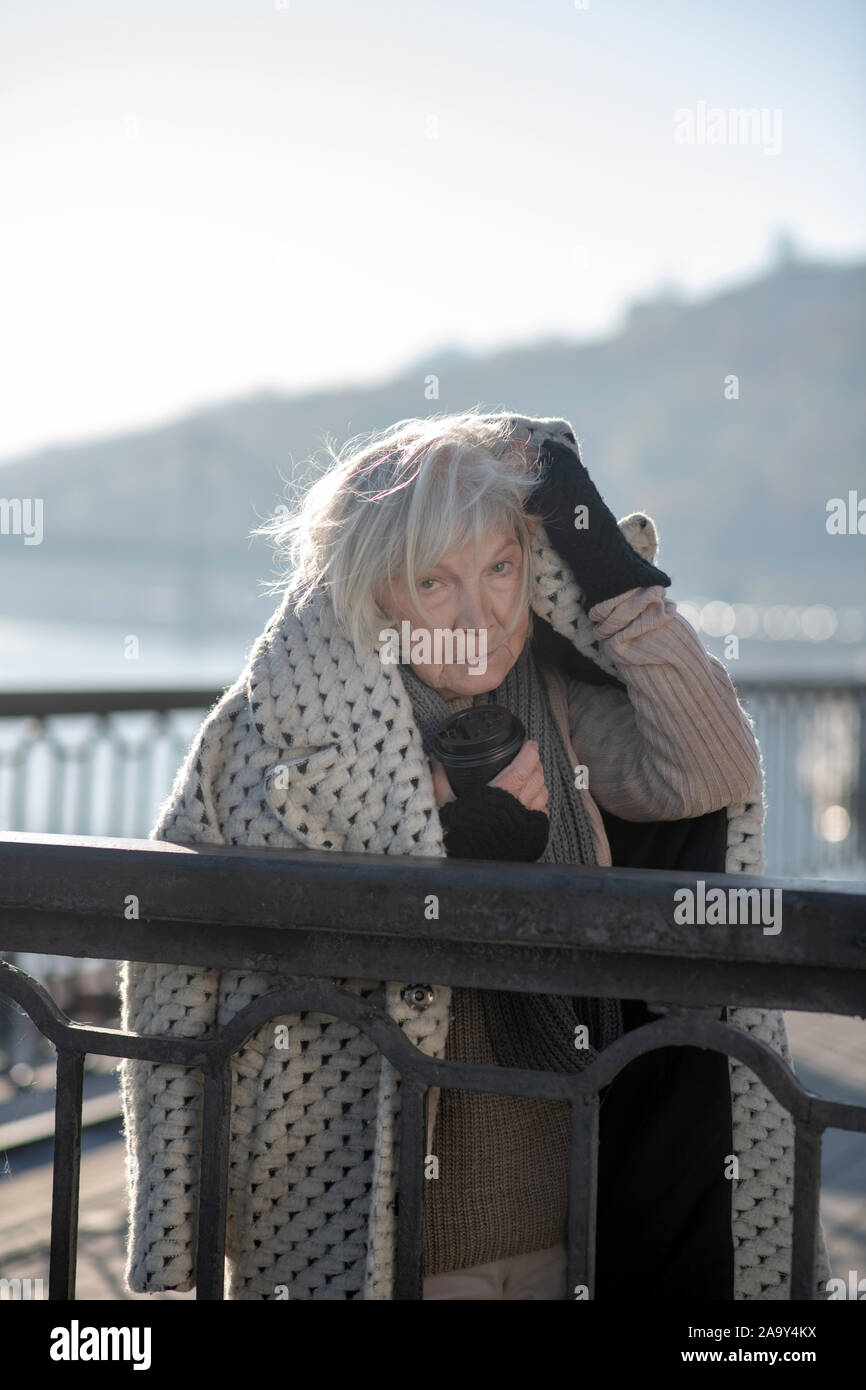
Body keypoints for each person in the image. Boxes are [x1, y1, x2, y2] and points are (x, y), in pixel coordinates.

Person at [119, 409, 830, 1301]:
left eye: (500, 567)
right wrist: (448, 858)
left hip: (572, 1212)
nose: (480, 613)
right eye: (434, 580)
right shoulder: (287, 738)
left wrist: (606, 561)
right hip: (370, 1227)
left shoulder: (553, 701)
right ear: (375, 592)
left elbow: (710, 769)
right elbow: (255, 975)